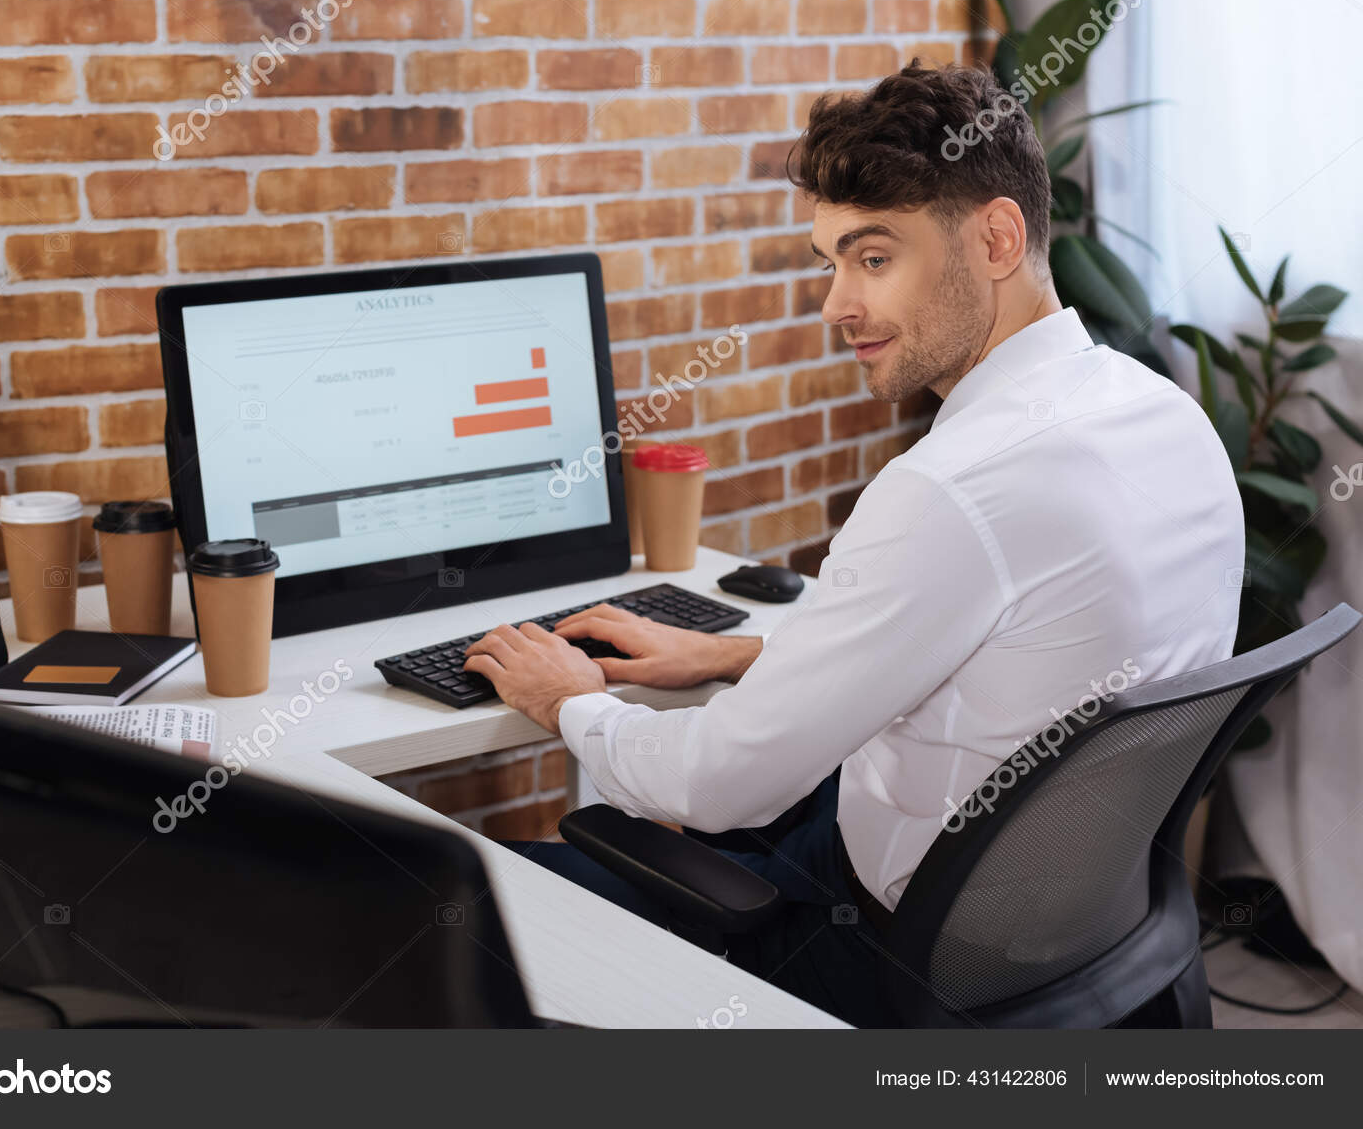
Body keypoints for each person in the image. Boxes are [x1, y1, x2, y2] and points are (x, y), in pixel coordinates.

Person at [461, 62, 1245, 1026]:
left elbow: (716, 786)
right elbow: (1007, 648)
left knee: (477, 901)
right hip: (1074, 921)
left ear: (996, 239)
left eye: (873, 259)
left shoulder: (947, 488)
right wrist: (735, 653)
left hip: (897, 956)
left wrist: (573, 704)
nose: (835, 304)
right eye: (830, 263)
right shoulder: (1166, 417)